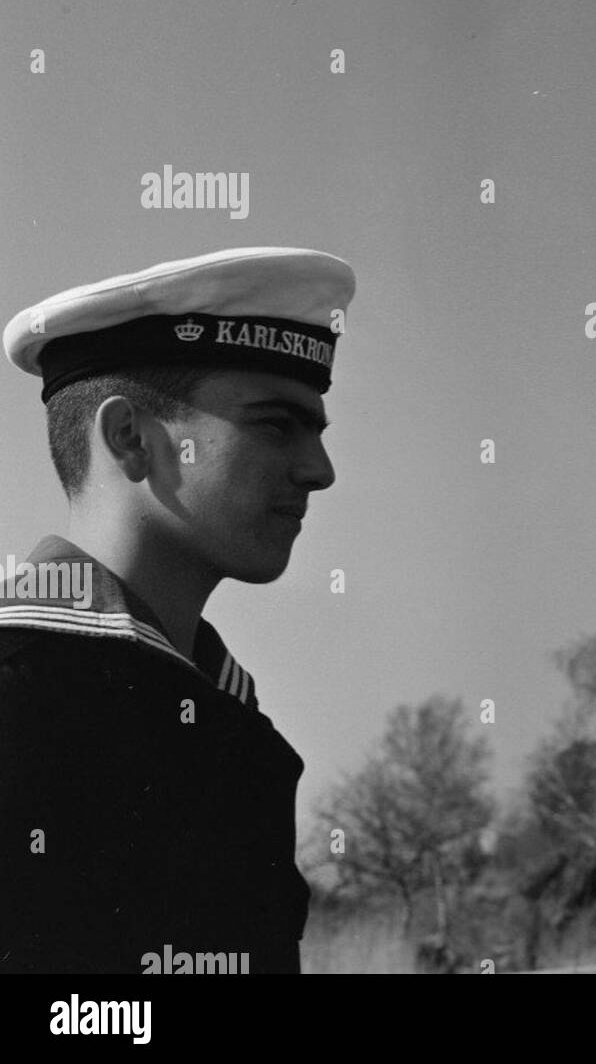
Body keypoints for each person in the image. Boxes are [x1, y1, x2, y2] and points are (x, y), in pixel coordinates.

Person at [0, 245, 355, 974]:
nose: (319, 470)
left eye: (316, 431)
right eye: (274, 425)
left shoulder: (238, 732)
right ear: (130, 438)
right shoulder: (18, 705)